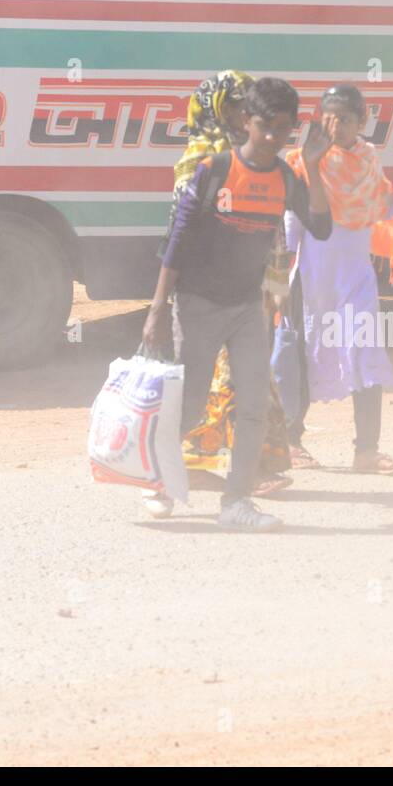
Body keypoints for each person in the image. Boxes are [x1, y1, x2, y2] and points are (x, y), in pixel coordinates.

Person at [142, 78, 334, 532]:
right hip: (198, 306)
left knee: (252, 407)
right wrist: (156, 309)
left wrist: (311, 164)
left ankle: (237, 502)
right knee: (189, 405)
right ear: (245, 121)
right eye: (265, 126)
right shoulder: (214, 171)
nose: (272, 138)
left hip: (249, 308)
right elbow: (176, 243)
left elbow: (322, 228)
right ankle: (159, 483)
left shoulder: (285, 177)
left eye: (283, 130)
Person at [161, 71, 294, 501]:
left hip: (245, 291)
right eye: (238, 106)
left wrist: (275, 283)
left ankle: (244, 470)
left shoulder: (257, 158)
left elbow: (273, 225)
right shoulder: (202, 159)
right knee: (213, 384)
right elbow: (183, 233)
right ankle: (193, 469)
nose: (245, 115)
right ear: (219, 108)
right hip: (205, 294)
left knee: (248, 381)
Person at [280, 84, 393, 474]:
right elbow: (293, 219)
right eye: (329, 116)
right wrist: (280, 273)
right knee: (302, 358)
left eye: (344, 118)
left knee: (365, 355)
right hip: (311, 277)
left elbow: (375, 210)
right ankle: (291, 442)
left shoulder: (369, 161)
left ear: (363, 121)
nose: (335, 125)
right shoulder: (303, 160)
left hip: (355, 278)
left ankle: (367, 450)